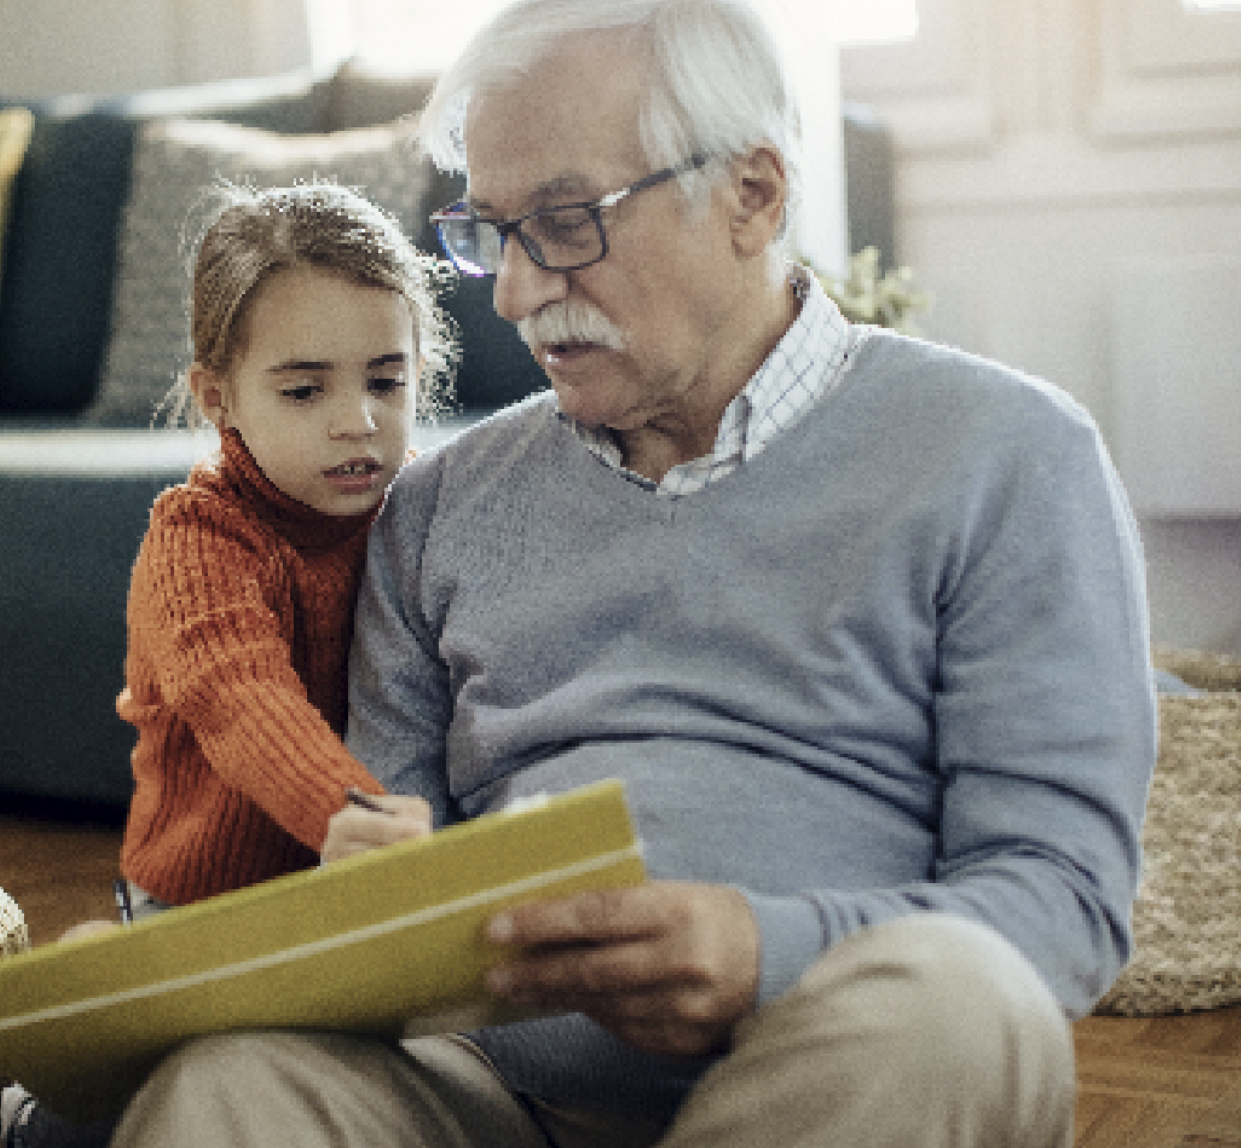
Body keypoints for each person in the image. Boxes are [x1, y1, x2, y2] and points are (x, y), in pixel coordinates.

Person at [106, 2, 1157, 1147]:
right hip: (491, 1098)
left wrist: (768, 947)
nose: (510, 293)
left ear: (753, 194)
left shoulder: (1008, 455)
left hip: (824, 1070)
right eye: (489, 230)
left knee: (968, 1007)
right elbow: (385, 888)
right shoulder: (437, 505)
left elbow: (1060, 900)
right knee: (230, 1081)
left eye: (562, 220)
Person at [0, 181, 447, 1148]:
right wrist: (348, 810)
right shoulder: (198, 539)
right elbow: (244, 701)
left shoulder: (416, 511)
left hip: (344, 904)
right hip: (199, 909)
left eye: (386, 380)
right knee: (125, 1112)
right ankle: (28, 1111)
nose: (358, 420)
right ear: (216, 396)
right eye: (304, 389)